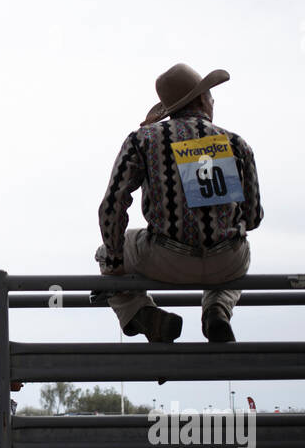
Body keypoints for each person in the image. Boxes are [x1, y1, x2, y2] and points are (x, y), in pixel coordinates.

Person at [96, 63, 263, 350]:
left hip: (165, 260)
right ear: (201, 100)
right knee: (240, 247)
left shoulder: (144, 139)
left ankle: (145, 315)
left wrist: (114, 260)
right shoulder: (235, 143)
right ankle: (217, 311)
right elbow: (254, 217)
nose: (213, 102)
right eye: (210, 96)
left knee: (104, 254)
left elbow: (111, 207)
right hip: (227, 262)